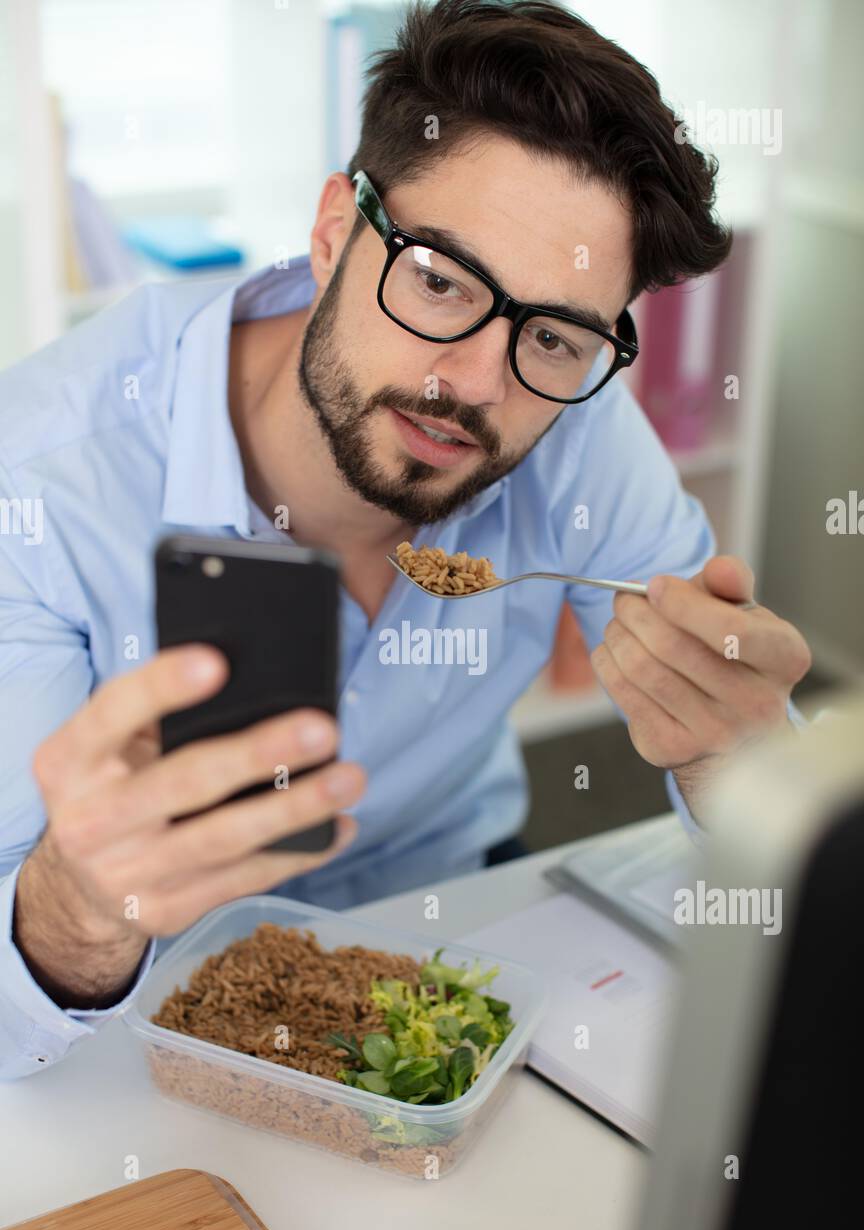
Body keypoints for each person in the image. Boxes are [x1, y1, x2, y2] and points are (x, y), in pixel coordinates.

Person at [0, 0, 810, 1079]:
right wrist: (76, 910)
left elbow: (776, 845)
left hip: (460, 916)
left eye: (554, 335)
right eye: (437, 279)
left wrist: (741, 763)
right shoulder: (41, 485)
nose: (471, 383)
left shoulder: (574, 416)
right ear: (334, 228)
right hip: (138, 997)